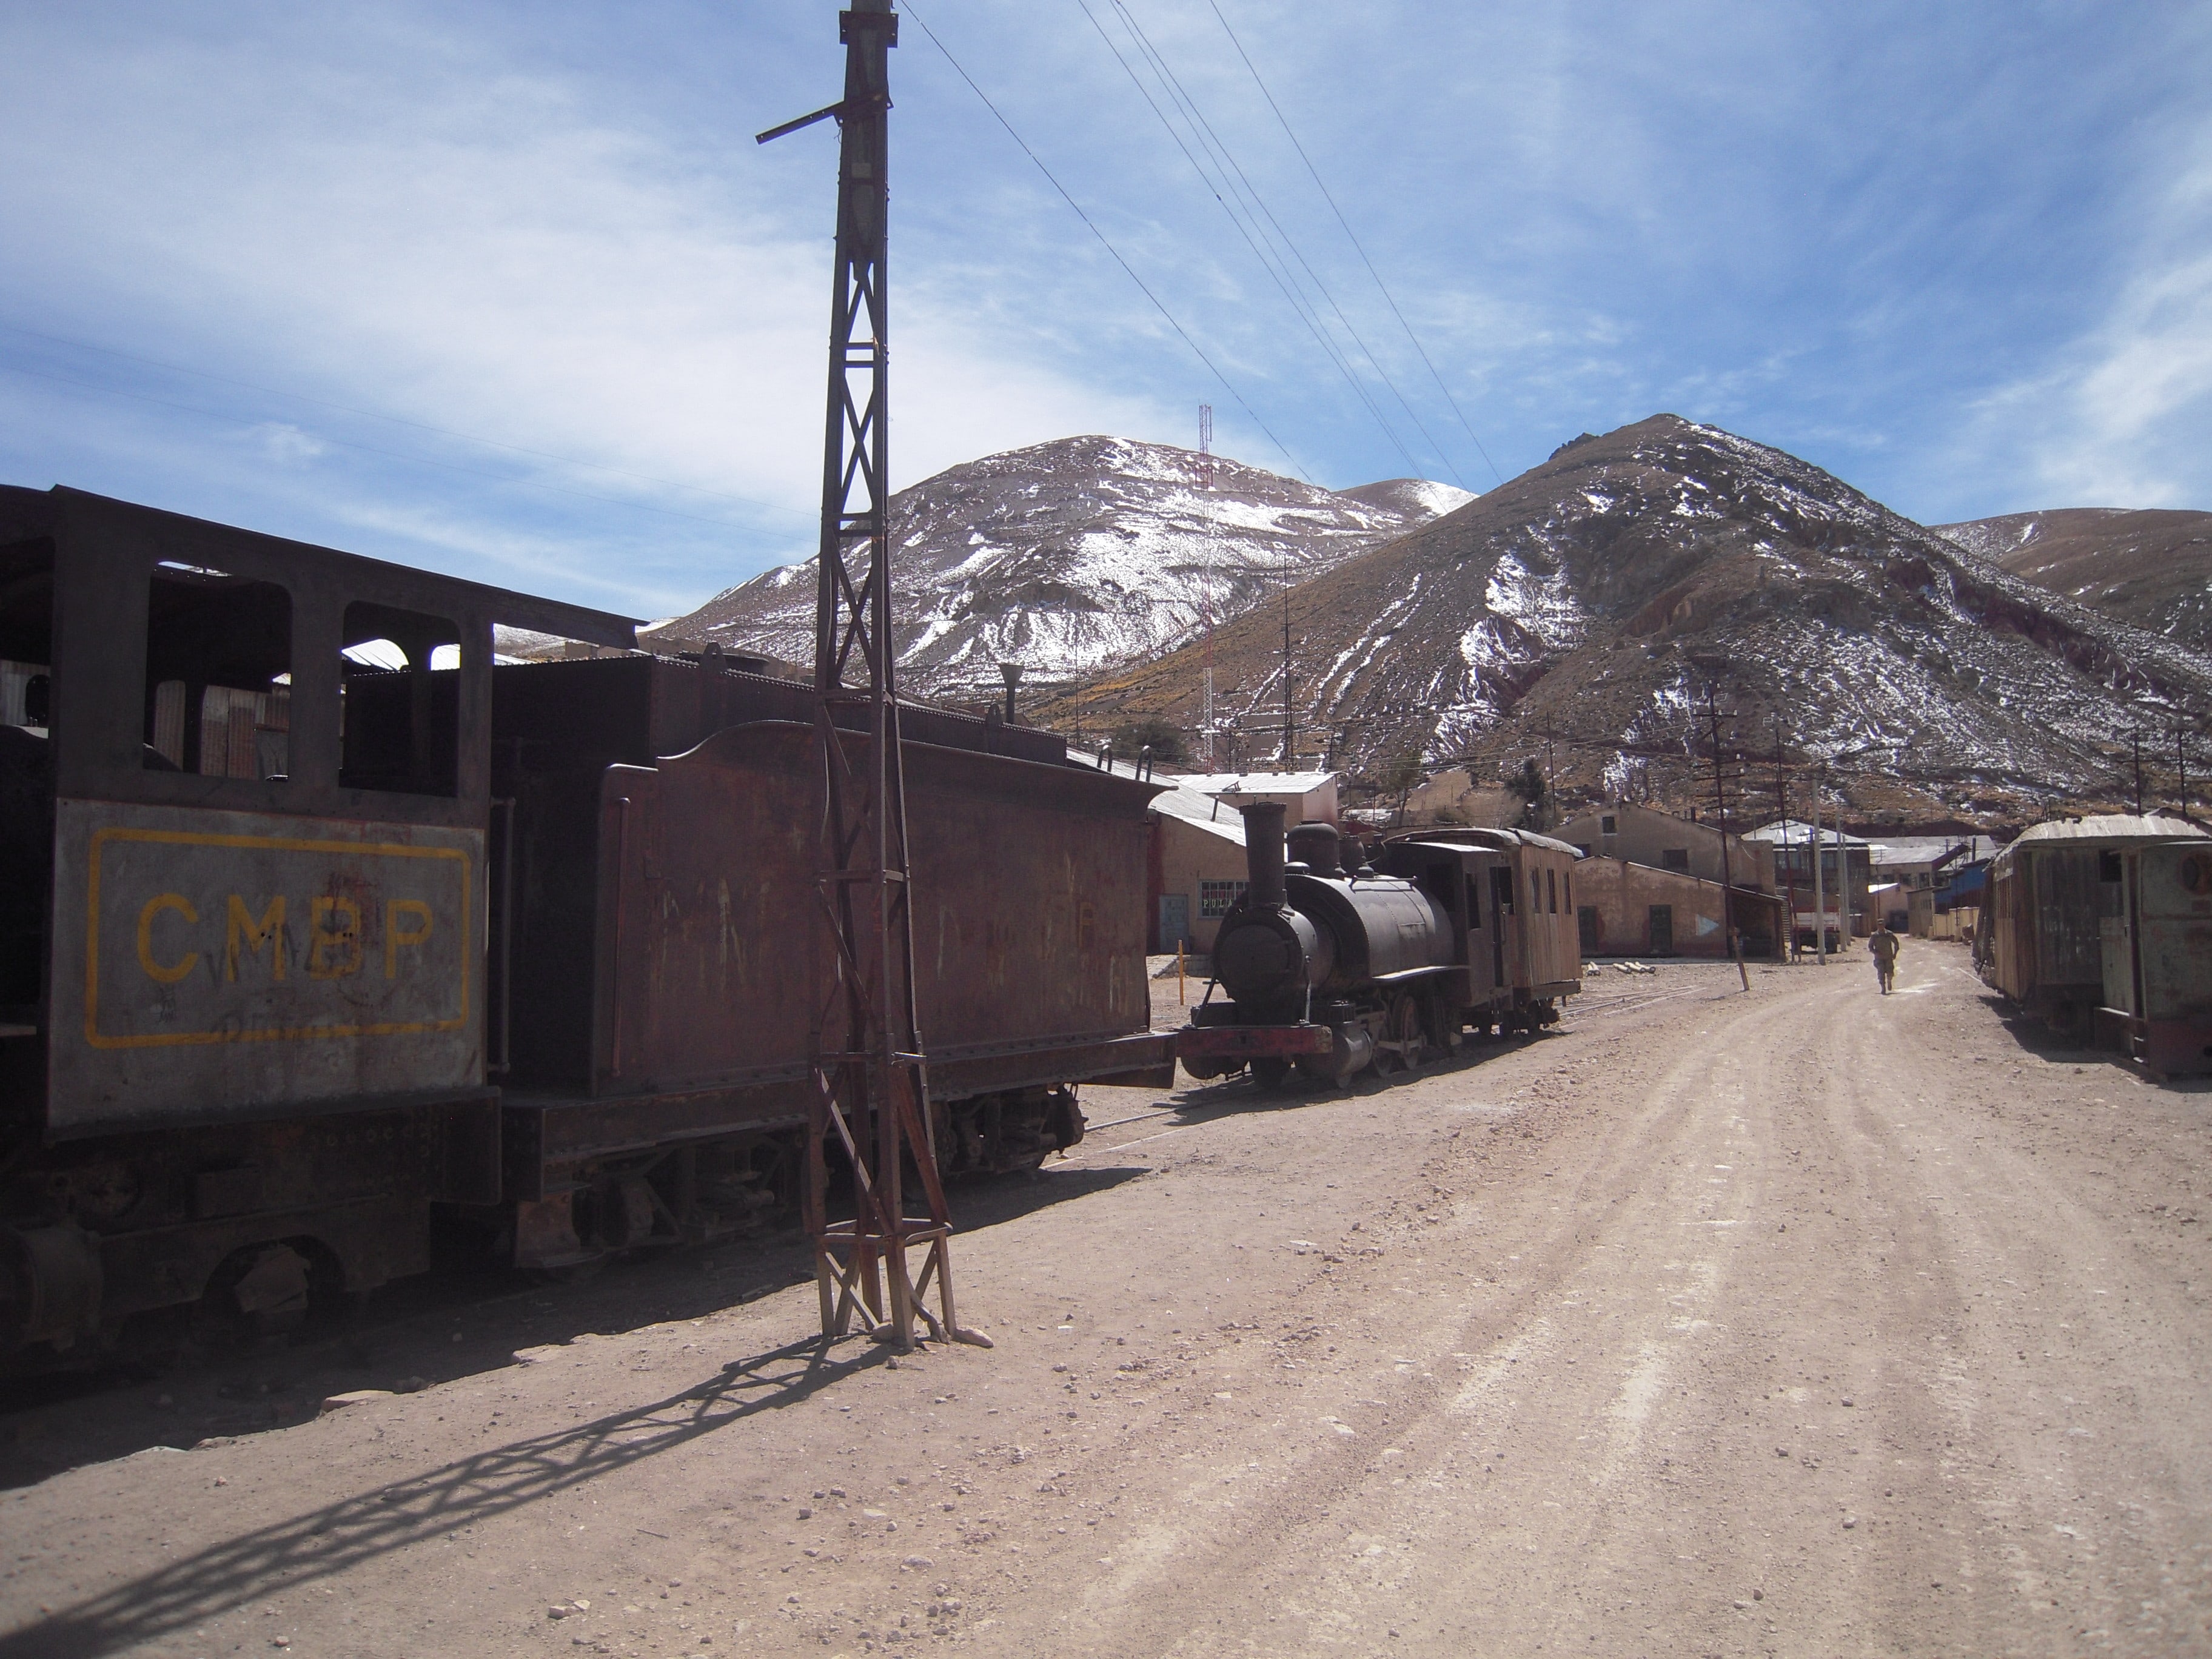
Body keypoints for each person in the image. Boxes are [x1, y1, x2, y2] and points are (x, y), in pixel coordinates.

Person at [1868, 920, 1900, 994]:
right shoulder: (1875, 936)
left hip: (1888, 957)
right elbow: (1870, 946)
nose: (1881, 926)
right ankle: (1883, 987)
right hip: (1879, 958)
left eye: (1882, 925)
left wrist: (1895, 954)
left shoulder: (1889, 934)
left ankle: (1889, 981)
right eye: (1879, 925)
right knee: (1881, 973)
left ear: (1884, 925)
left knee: (1890, 972)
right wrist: (1875, 953)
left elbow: (1896, 943)